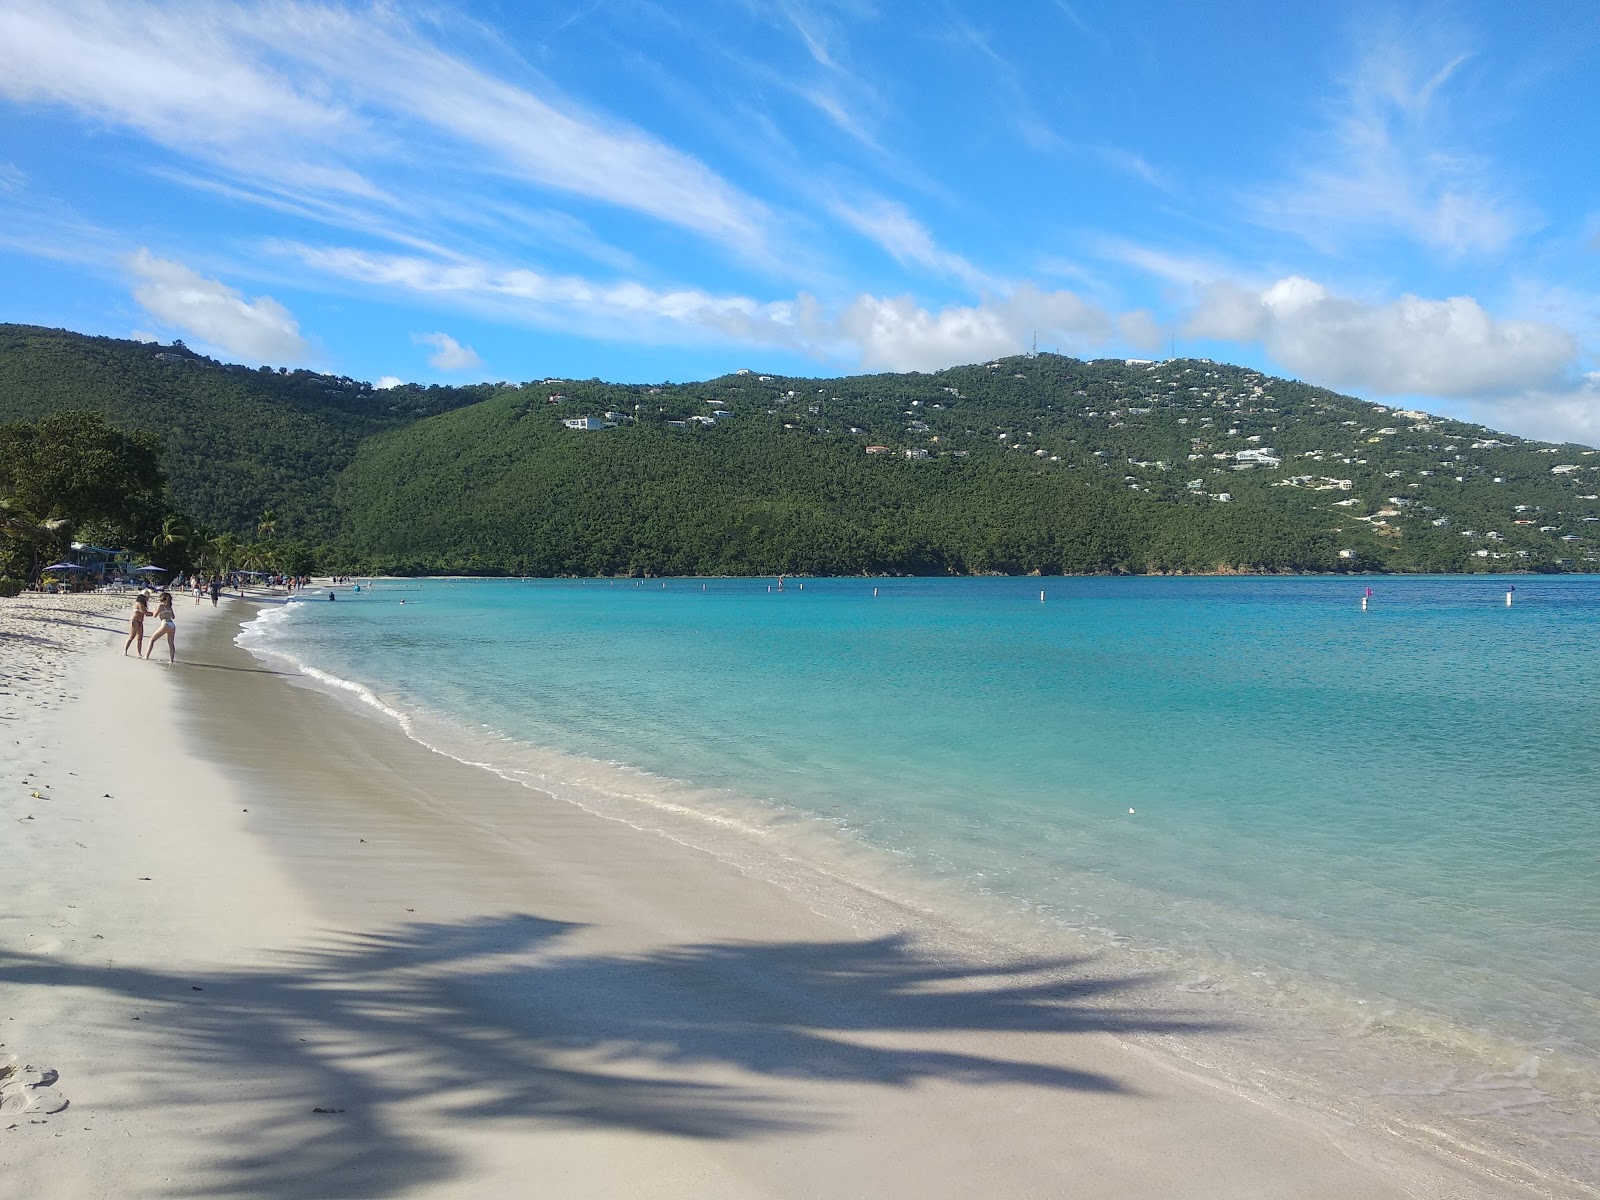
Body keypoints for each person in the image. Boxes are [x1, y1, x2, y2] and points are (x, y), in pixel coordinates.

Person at [144, 591, 177, 664]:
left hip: (165, 623)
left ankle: (146, 656)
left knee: (152, 639)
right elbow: (173, 617)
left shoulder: (160, 605)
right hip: (172, 624)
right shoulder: (169, 607)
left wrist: (155, 610)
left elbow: (154, 615)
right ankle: (171, 660)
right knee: (171, 643)